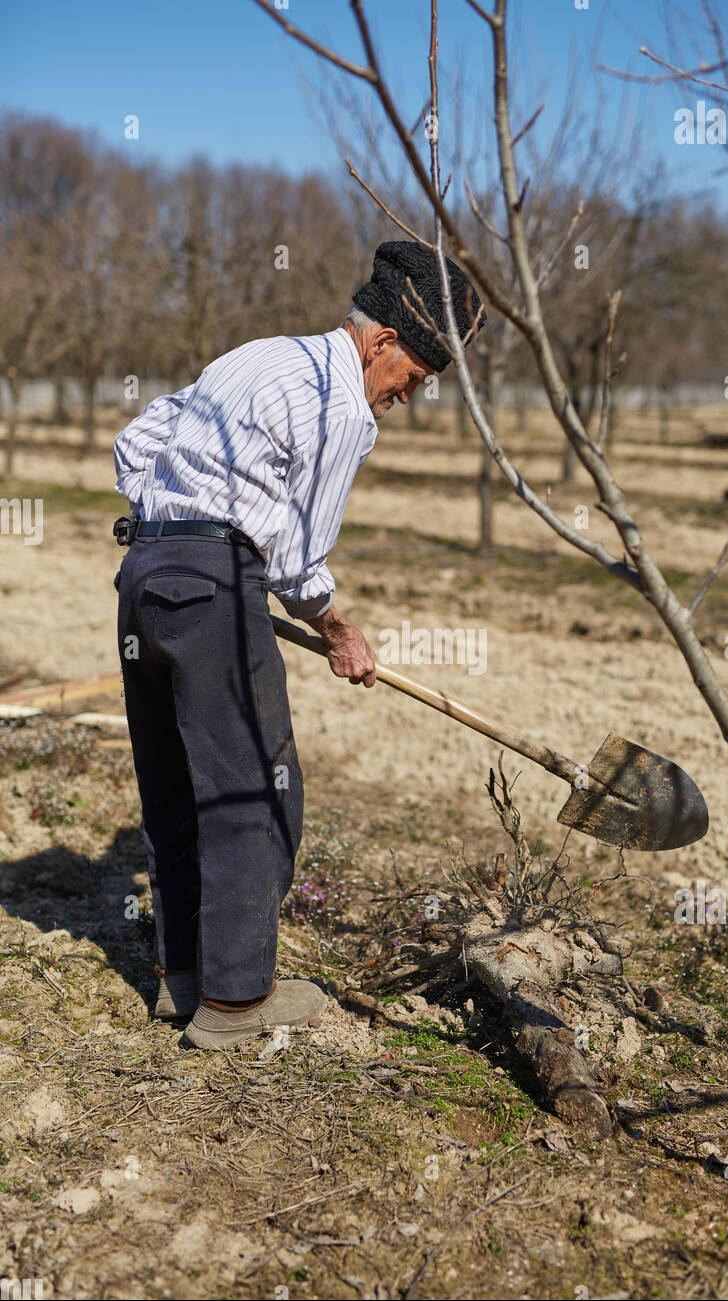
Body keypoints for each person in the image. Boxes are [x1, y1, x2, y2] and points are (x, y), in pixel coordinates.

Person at [112, 240, 485, 1049]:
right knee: (257, 792)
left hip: (143, 576)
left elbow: (137, 442)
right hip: (215, 588)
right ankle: (239, 1002)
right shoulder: (343, 407)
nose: (407, 400)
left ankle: (182, 980)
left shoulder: (256, 356)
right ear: (381, 342)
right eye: (413, 380)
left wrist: (172, 533)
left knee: (176, 785)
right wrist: (338, 628)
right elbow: (297, 556)